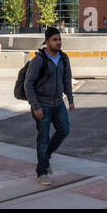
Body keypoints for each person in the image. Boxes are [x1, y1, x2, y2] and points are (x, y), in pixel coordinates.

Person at [24, 26, 74, 187]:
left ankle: (46, 157)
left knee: (64, 129)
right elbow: (28, 84)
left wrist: (70, 99)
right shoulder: (39, 60)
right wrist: (35, 105)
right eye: (55, 39)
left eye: (59, 39)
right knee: (43, 138)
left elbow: (67, 79)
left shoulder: (63, 58)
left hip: (58, 103)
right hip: (42, 105)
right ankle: (42, 172)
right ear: (47, 42)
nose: (58, 42)